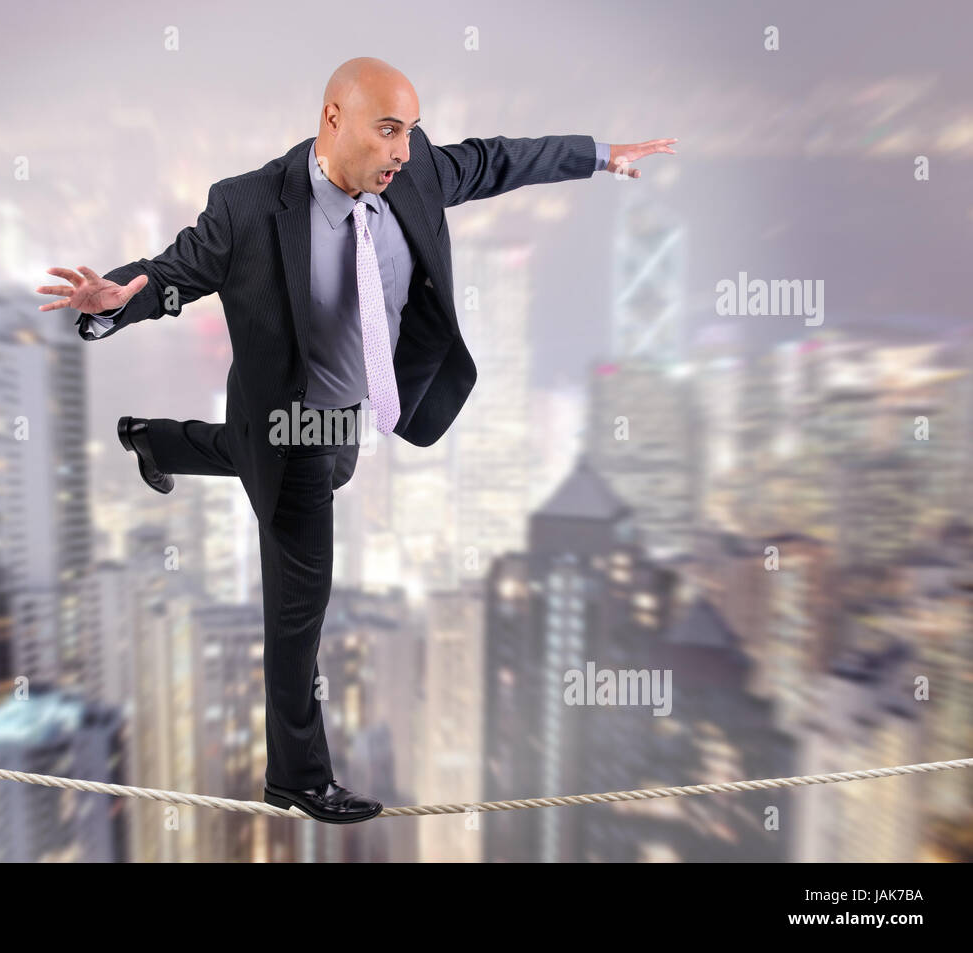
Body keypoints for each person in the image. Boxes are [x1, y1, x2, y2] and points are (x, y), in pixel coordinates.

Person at [37, 56, 676, 823]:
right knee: (299, 604)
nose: (404, 149)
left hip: (346, 415)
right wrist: (112, 302)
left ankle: (158, 442)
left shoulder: (415, 173)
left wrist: (603, 156)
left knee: (307, 461)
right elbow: (172, 275)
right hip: (287, 420)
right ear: (333, 119)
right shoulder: (247, 207)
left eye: (409, 130)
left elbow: (504, 158)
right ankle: (297, 776)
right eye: (387, 130)